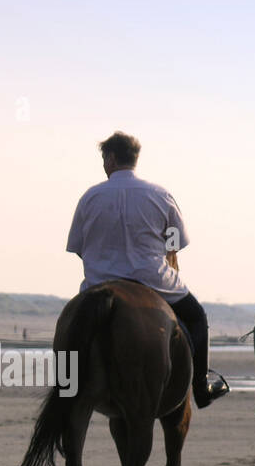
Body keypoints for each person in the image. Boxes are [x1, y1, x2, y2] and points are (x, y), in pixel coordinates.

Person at [65, 131, 228, 410]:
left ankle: (65, 387)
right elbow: (175, 245)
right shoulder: (160, 194)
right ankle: (200, 386)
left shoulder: (90, 197)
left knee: (69, 327)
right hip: (153, 281)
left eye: (105, 158)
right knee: (197, 318)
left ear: (112, 158)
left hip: (99, 283)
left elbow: (79, 247)